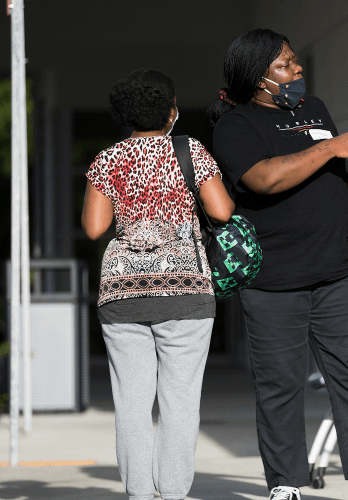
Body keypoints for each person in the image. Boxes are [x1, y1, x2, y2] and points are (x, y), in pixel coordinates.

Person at [208, 29, 348, 500]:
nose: (296, 71)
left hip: (336, 270)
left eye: (295, 62)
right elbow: (263, 179)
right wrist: (332, 146)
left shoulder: (312, 110)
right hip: (273, 280)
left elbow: (346, 188)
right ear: (258, 79)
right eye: (285, 65)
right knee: (280, 384)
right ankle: (286, 485)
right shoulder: (235, 126)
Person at [82, 68, 233, 500]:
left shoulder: (107, 160)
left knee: (131, 401)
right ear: (171, 112)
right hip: (186, 293)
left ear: (127, 115)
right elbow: (221, 212)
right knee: (180, 401)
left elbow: (94, 228)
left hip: (122, 294)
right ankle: (172, 492)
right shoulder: (190, 151)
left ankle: (138, 494)